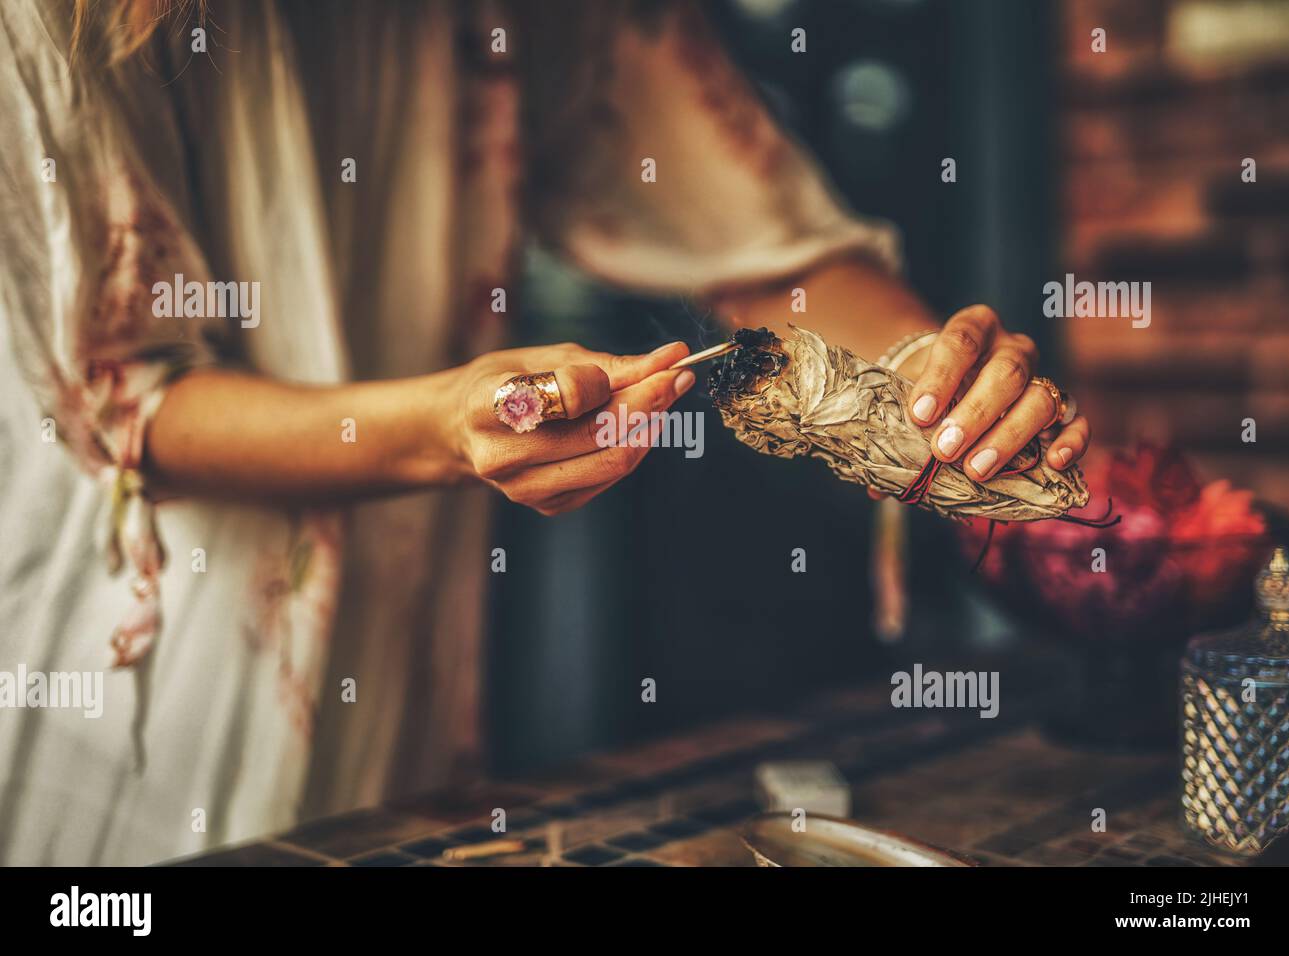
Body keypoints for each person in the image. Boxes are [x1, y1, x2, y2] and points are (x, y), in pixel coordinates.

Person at [0, 0, 1090, 864]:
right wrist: (437, 425)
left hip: (404, 667)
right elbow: (126, 400)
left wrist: (922, 373)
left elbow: (772, 249)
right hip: (138, 683)